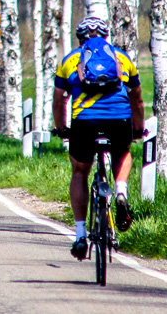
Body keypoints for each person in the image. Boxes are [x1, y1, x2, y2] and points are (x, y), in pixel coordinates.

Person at [52, 16, 145, 261]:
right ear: (106, 37)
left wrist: (61, 128)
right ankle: (121, 193)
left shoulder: (69, 61)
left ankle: (81, 235)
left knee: (80, 171)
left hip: (85, 122)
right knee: (122, 152)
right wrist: (137, 128)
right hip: (119, 119)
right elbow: (137, 97)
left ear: (80, 39)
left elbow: (59, 98)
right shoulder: (122, 58)